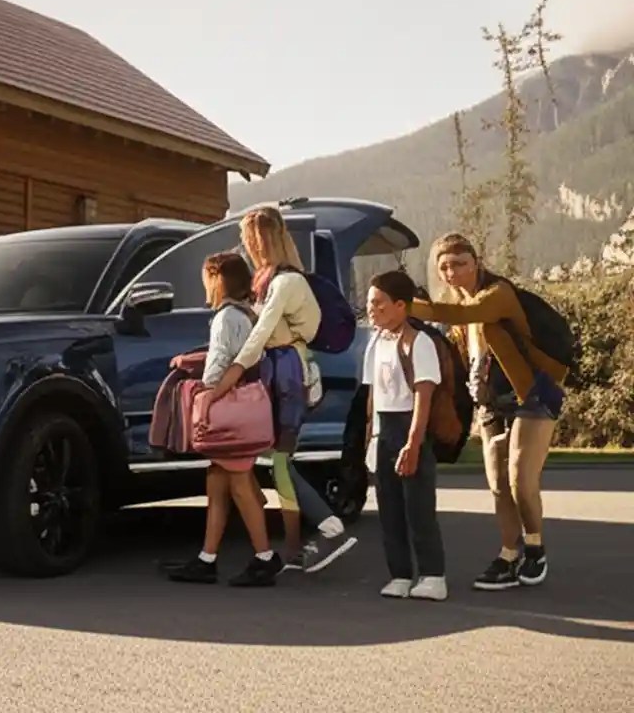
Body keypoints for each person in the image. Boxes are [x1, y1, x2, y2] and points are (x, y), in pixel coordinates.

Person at [206, 206, 357, 572]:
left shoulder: (286, 283)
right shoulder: (272, 281)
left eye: (247, 239)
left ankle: (328, 527)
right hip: (279, 370)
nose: (244, 246)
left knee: (280, 462)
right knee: (278, 462)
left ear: (259, 240)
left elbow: (260, 334)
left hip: (288, 373)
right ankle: (295, 547)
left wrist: (224, 382)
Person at [412, 234, 567, 590]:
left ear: (477, 262)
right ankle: (508, 554)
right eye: (445, 267)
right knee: (499, 486)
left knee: (520, 479)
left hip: (533, 396)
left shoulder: (497, 294)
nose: (452, 273)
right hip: (491, 404)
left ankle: (535, 548)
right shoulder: (456, 308)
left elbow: (467, 312)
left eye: (460, 264)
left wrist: (409, 305)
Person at [165, 252, 283, 587]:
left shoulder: (226, 317)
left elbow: (221, 362)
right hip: (245, 405)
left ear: (218, 279)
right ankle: (207, 557)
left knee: (240, 484)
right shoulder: (245, 313)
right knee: (217, 484)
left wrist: (207, 394)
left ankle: (264, 557)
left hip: (229, 409)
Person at [363, 270, 448, 601]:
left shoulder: (418, 342)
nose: (373, 309)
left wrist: (413, 443)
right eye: (370, 304)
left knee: (418, 506)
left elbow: (422, 396)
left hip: (410, 427)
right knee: (389, 507)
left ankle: (432, 574)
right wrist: (369, 438)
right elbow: (372, 397)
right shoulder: (375, 342)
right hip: (385, 429)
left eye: (379, 304)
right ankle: (399, 574)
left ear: (401, 305)